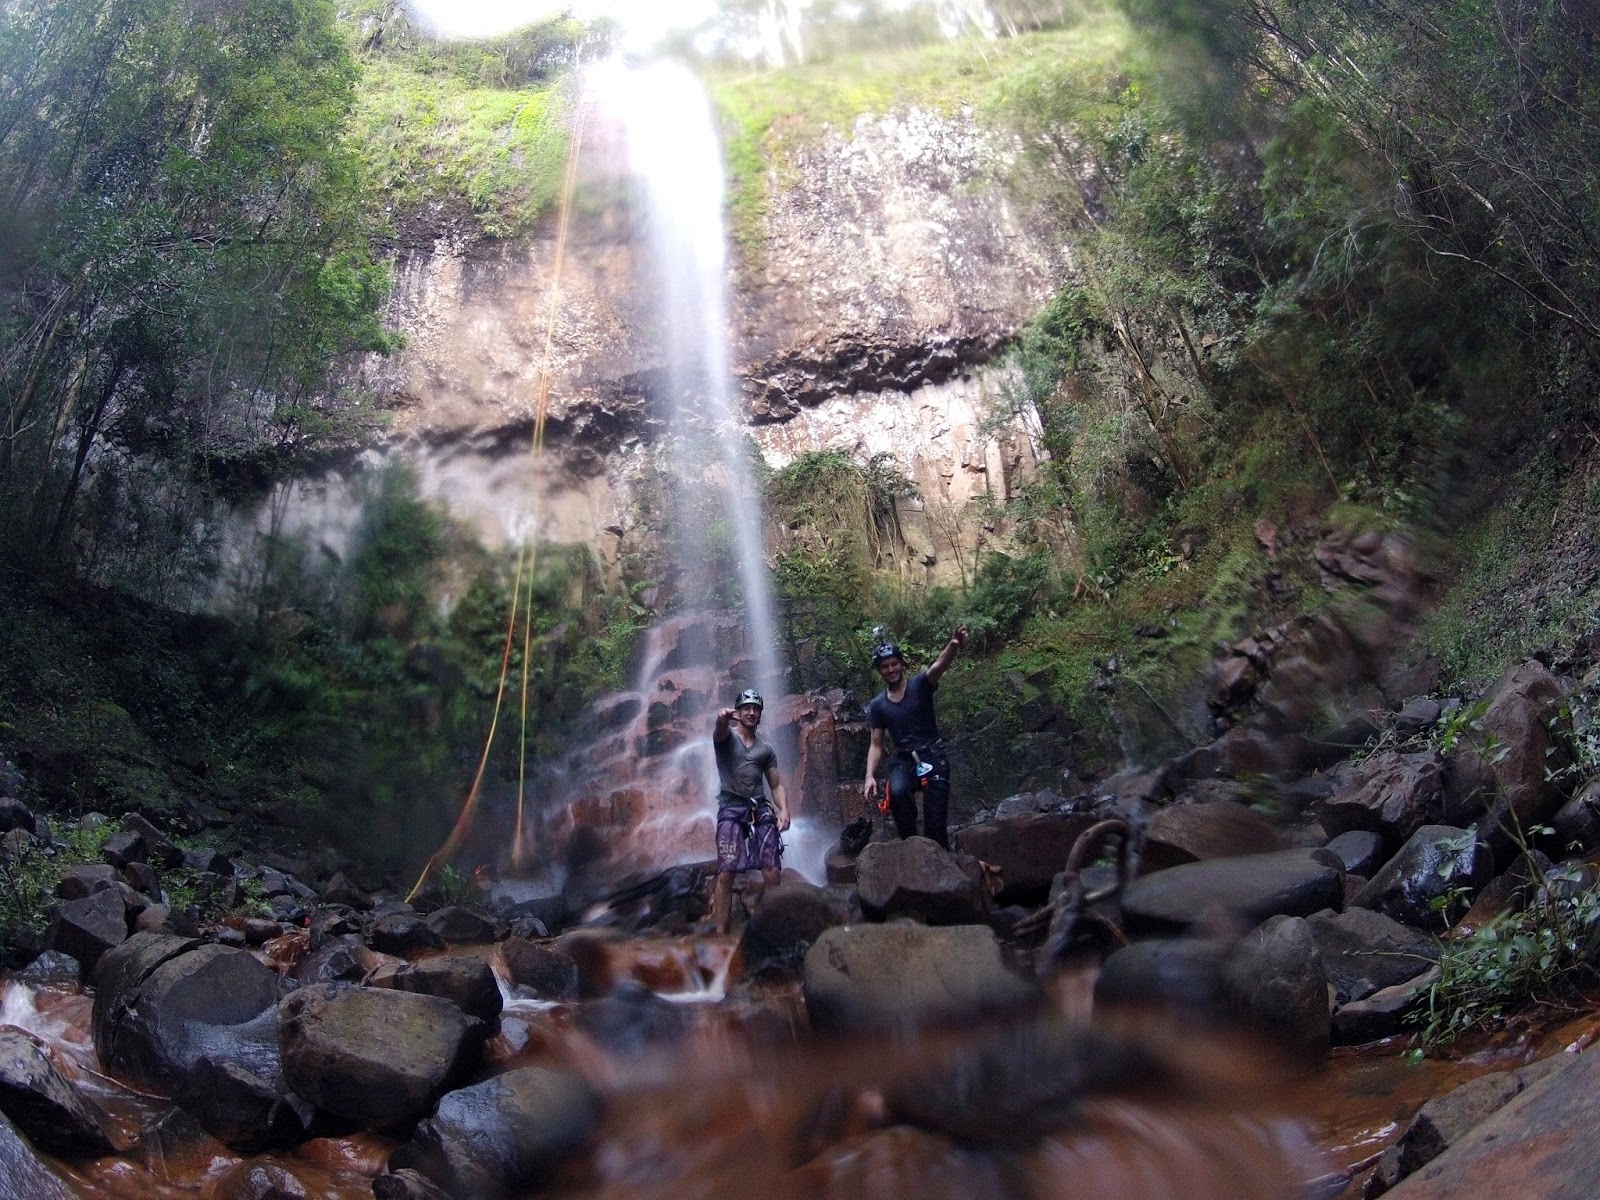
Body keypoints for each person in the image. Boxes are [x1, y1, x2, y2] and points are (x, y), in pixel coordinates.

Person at [862, 626, 967, 848]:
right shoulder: (878, 705)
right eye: (885, 667)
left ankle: (943, 863)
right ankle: (911, 846)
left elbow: (939, 666)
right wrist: (869, 776)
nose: (891, 670)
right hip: (904, 760)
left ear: (901, 664)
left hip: (932, 755)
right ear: (880, 671)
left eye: (894, 664)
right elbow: (876, 744)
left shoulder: (920, 685)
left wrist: (953, 644)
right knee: (898, 793)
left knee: (936, 824)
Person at [710, 688, 790, 935]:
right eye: (746, 708)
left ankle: (776, 929)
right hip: (730, 807)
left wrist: (784, 809)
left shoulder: (765, 750)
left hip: (758, 807)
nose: (751, 712)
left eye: (756, 708)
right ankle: (721, 934)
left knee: (772, 869)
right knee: (726, 872)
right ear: (738, 711)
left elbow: (775, 784)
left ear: (760, 714)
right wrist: (721, 719)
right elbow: (719, 730)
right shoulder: (726, 739)